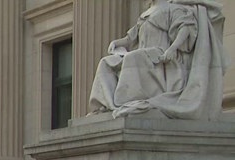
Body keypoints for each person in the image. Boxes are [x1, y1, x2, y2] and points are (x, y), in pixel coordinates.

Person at [88, 0, 226, 120]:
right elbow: (131, 38)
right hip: (145, 55)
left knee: (132, 58)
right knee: (106, 62)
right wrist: (118, 43)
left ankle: (127, 101)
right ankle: (108, 104)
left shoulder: (173, 9)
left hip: (161, 57)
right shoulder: (146, 14)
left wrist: (173, 48)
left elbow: (185, 28)